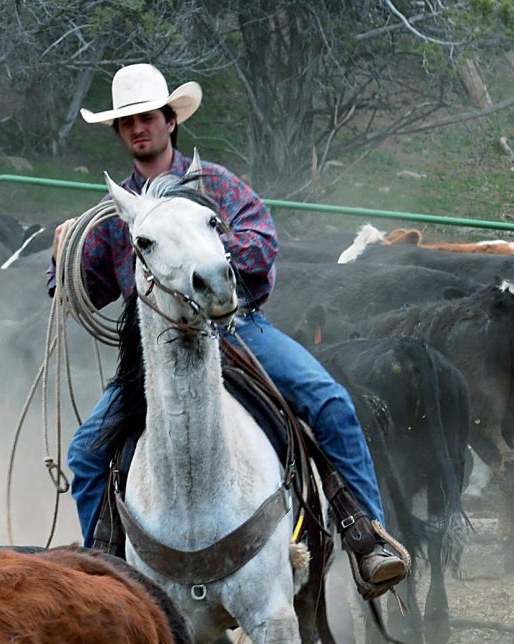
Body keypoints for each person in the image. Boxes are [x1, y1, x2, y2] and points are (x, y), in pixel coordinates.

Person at [47, 62, 408, 593]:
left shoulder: (213, 185)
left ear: (171, 121)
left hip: (235, 329)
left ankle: (365, 533)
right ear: (120, 134)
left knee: (327, 401)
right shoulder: (114, 214)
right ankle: (106, 578)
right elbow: (83, 285)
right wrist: (63, 257)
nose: (138, 129)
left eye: (147, 117)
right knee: (85, 452)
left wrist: (201, 260)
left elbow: (262, 245)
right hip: (157, 351)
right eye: (127, 123)